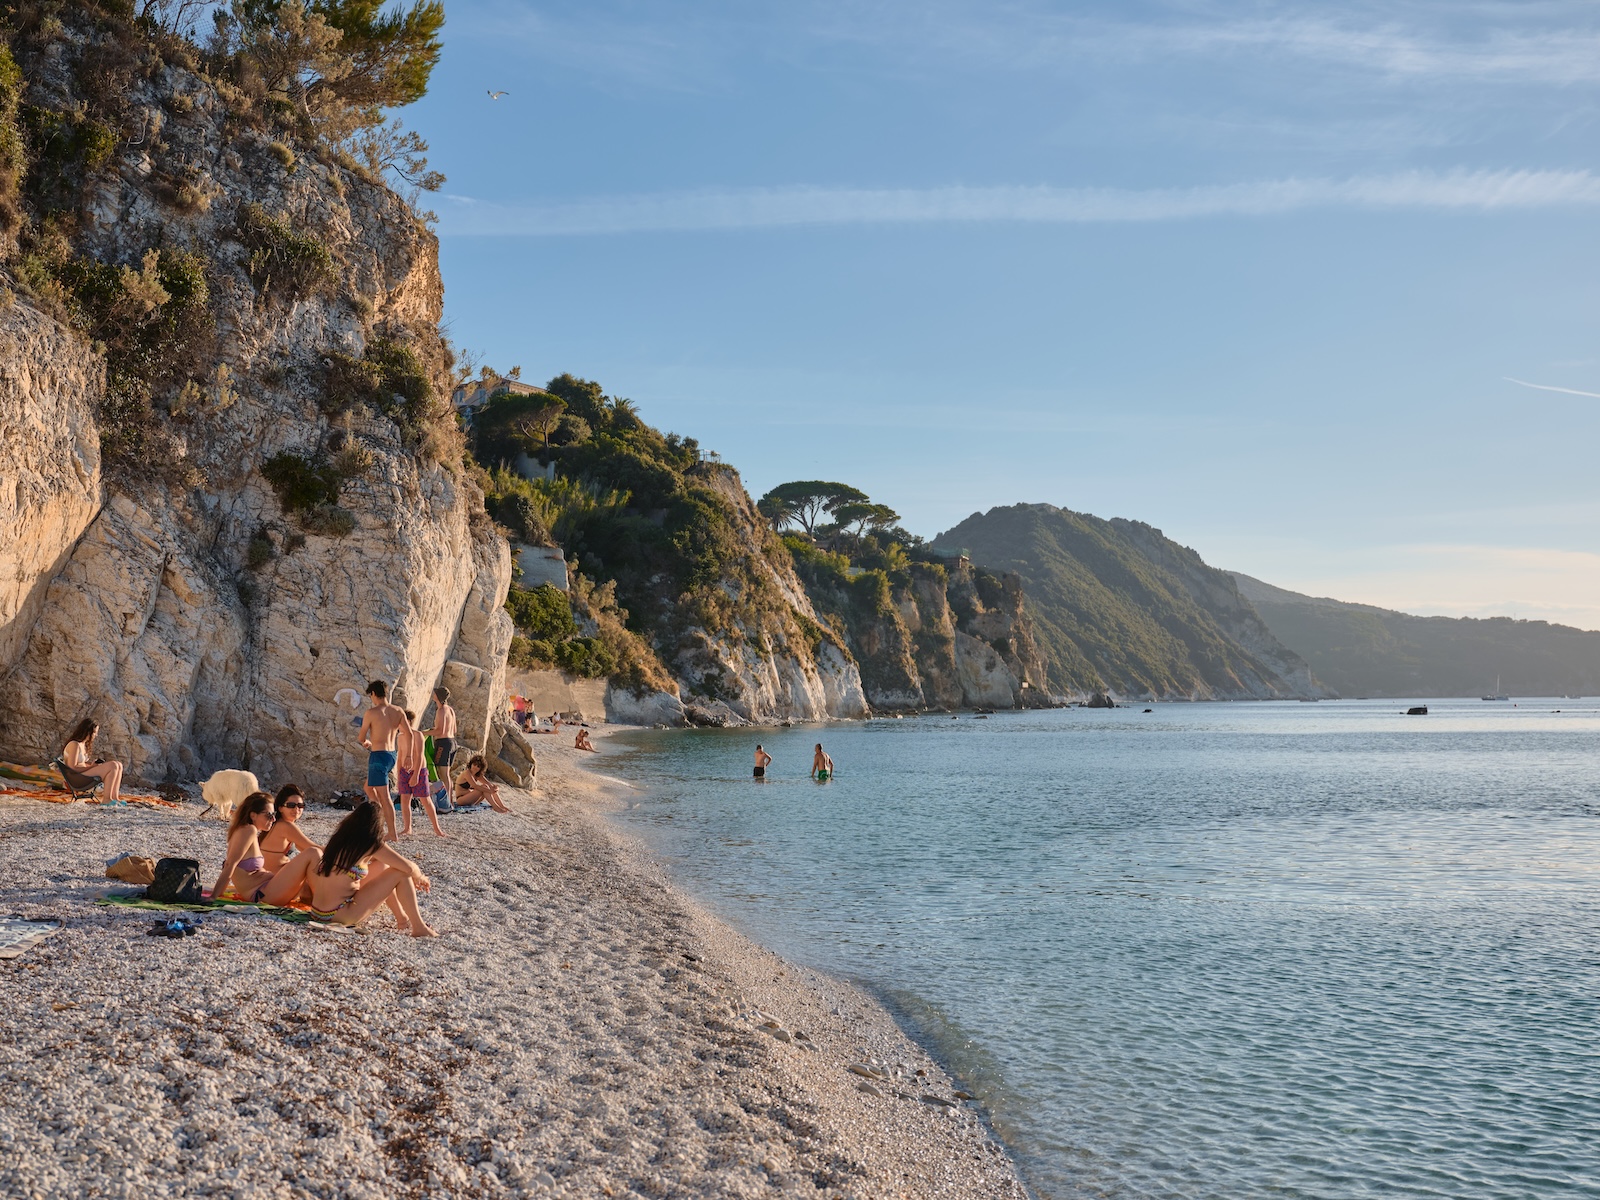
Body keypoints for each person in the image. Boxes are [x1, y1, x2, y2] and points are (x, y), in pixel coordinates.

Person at [269, 802, 436, 936]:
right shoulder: (371, 844)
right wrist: (420, 877)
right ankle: (419, 927)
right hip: (339, 914)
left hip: (318, 912)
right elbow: (408, 867)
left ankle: (403, 920)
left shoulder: (340, 839)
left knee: (384, 867)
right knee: (399, 873)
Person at [210, 791, 318, 905]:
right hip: (262, 893)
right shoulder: (248, 830)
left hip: (268, 888)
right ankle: (322, 905)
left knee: (309, 875)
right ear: (253, 815)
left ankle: (320, 903)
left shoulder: (245, 831)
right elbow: (229, 865)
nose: (273, 819)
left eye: (274, 814)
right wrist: (214, 896)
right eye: (269, 815)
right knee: (313, 853)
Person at [357, 680, 407, 842]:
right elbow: (409, 734)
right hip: (391, 755)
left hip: (378, 755)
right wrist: (408, 757)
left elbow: (361, 737)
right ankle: (379, 816)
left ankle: (391, 832)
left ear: (373, 694)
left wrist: (366, 742)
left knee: (385, 797)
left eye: (370, 696)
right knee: (368, 787)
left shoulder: (371, 712)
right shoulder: (398, 711)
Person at [397, 709, 447, 838]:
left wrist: (415, 775)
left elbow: (419, 755)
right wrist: (398, 774)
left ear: (408, 721)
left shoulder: (418, 735)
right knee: (405, 800)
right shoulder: (400, 737)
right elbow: (400, 756)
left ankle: (437, 829)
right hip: (404, 772)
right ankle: (407, 828)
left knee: (425, 800)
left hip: (419, 771)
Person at [61, 718, 125, 804]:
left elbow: (80, 764)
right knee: (113, 765)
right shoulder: (74, 744)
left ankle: (115, 798)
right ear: (88, 732)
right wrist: (92, 767)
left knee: (118, 765)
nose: (96, 735)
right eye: (94, 732)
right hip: (75, 779)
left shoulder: (82, 744)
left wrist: (92, 765)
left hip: (81, 775)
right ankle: (107, 799)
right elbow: (72, 768)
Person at [260, 784, 316, 873]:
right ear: (280, 808)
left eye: (300, 805)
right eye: (291, 805)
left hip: (271, 875)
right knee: (316, 856)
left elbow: (304, 847)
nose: (296, 809)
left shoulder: (275, 824)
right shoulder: (286, 826)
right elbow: (313, 848)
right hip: (276, 878)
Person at [423, 686, 458, 790]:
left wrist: (423, 733)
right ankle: (449, 798)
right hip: (452, 742)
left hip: (443, 743)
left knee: (443, 775)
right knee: (446, 775)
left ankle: (447, 799)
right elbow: (454, 729)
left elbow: (439, 731)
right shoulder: (450, 710)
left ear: (438, 696)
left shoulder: (441, 710)